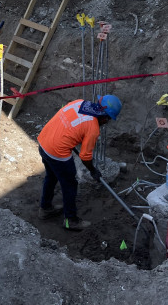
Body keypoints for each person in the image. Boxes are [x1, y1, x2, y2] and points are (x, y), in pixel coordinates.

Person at [36, 95, 122, 231]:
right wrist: (93, 170)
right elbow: (85, 156)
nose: (107, 123)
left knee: (51, 176)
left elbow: (69, 124)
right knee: (70, 184)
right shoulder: (93, 128)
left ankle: (45, 208)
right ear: (105, 117)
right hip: (57, 152)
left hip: (44, 141)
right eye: (108, 120)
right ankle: (71, 220)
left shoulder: (79, 103)